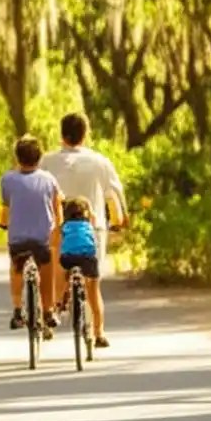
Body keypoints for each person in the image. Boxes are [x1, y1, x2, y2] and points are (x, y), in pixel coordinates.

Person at [40, 112, 128, 343]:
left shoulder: (48, 161)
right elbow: (114, 195)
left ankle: (51, 317)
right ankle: (99, 333)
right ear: (85, 134)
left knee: (58, 272)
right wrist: (121, 220)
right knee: (92, 283)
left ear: (62, 135)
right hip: (93, 228)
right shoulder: (100, 162)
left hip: (60, 227)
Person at [1, 134, 62, 337]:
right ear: (40, 157)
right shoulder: (49, 179)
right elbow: (57, 209)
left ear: (18, 158)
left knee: (16, 268)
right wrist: (57, 230)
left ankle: (18, 310)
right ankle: (48, 311)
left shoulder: (8, 179)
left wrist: (3, 224)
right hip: (42, 238)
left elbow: (5, 209)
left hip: (18, 239)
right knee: (47, 269)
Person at [59, 196, 110, 348]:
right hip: (87, 259)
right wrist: (93, 213)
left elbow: (56, 240)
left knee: (62, 273)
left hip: (68, 258)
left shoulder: (64, 226)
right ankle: (99, 334)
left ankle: (62, 299)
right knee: (94, 294)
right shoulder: (89, 224)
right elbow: (95, 221)